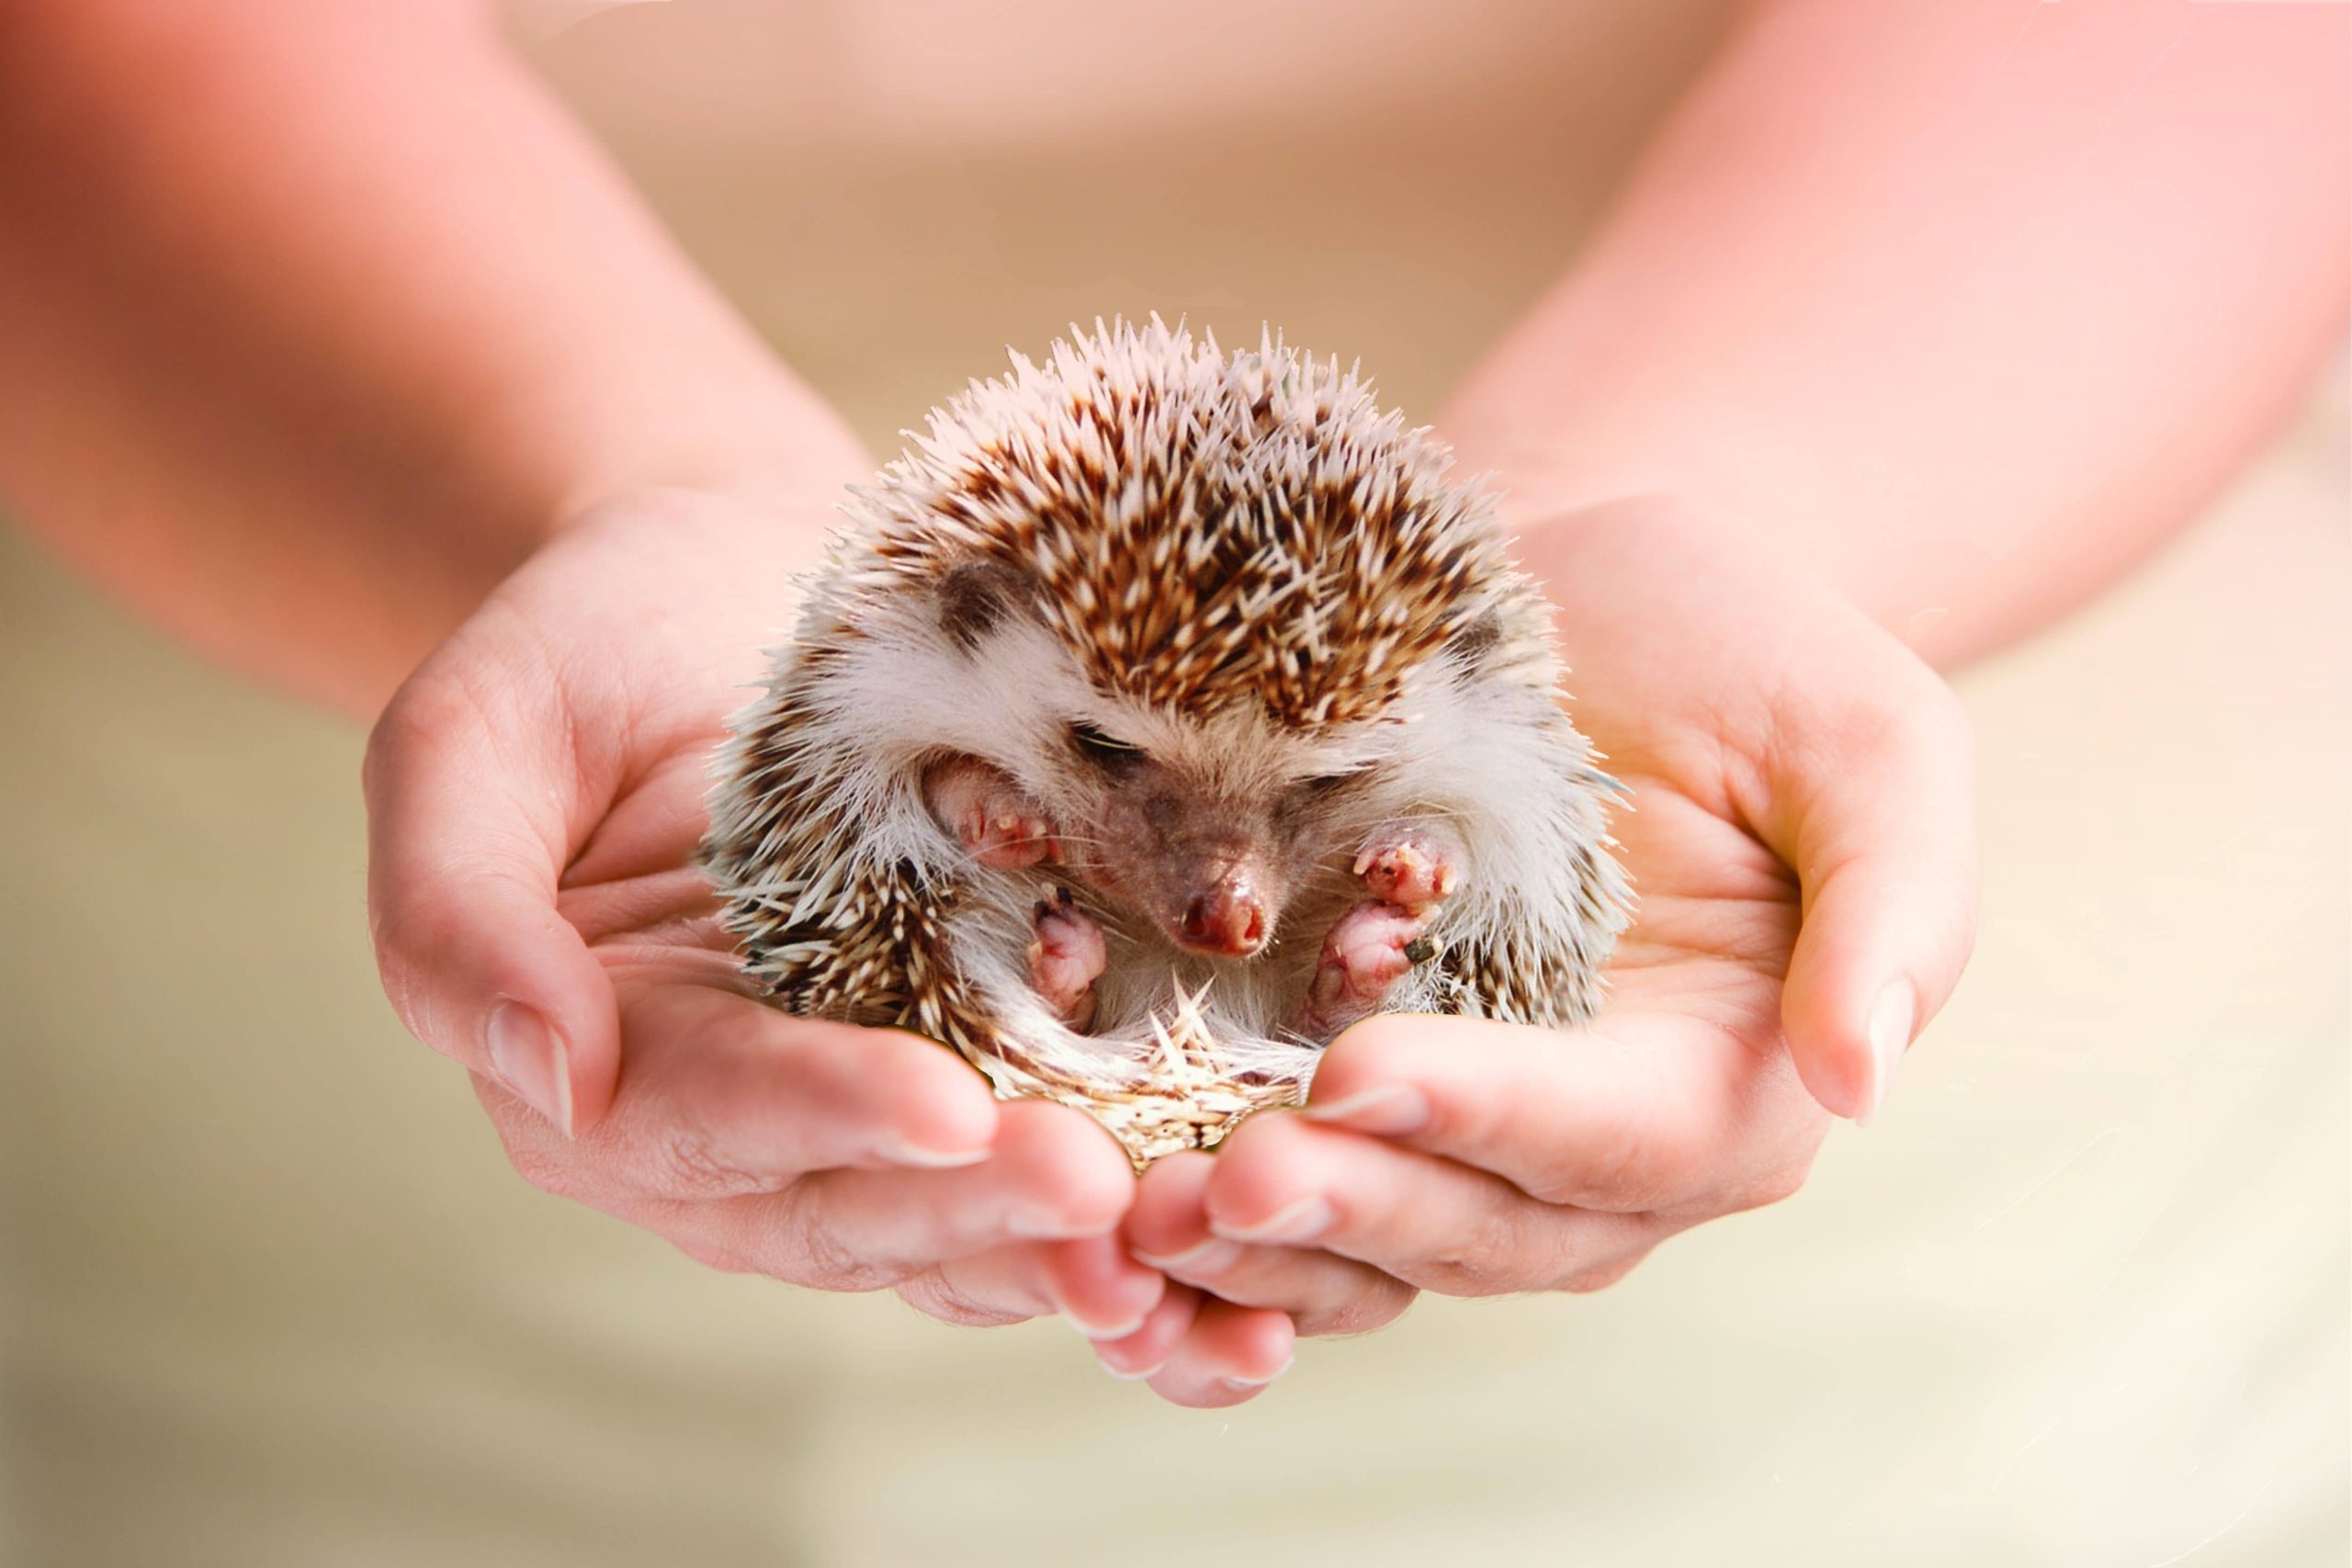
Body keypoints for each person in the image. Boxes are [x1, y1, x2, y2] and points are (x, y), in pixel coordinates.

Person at [0, 0, 2340, 1418]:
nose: (1222, 872)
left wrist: (1684, 501)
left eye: (1312, 798)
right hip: (303, 1257)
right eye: (1108, 763)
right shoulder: (877, 699)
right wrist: (611, 496)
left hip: (1931, 1326)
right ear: (960, 625)